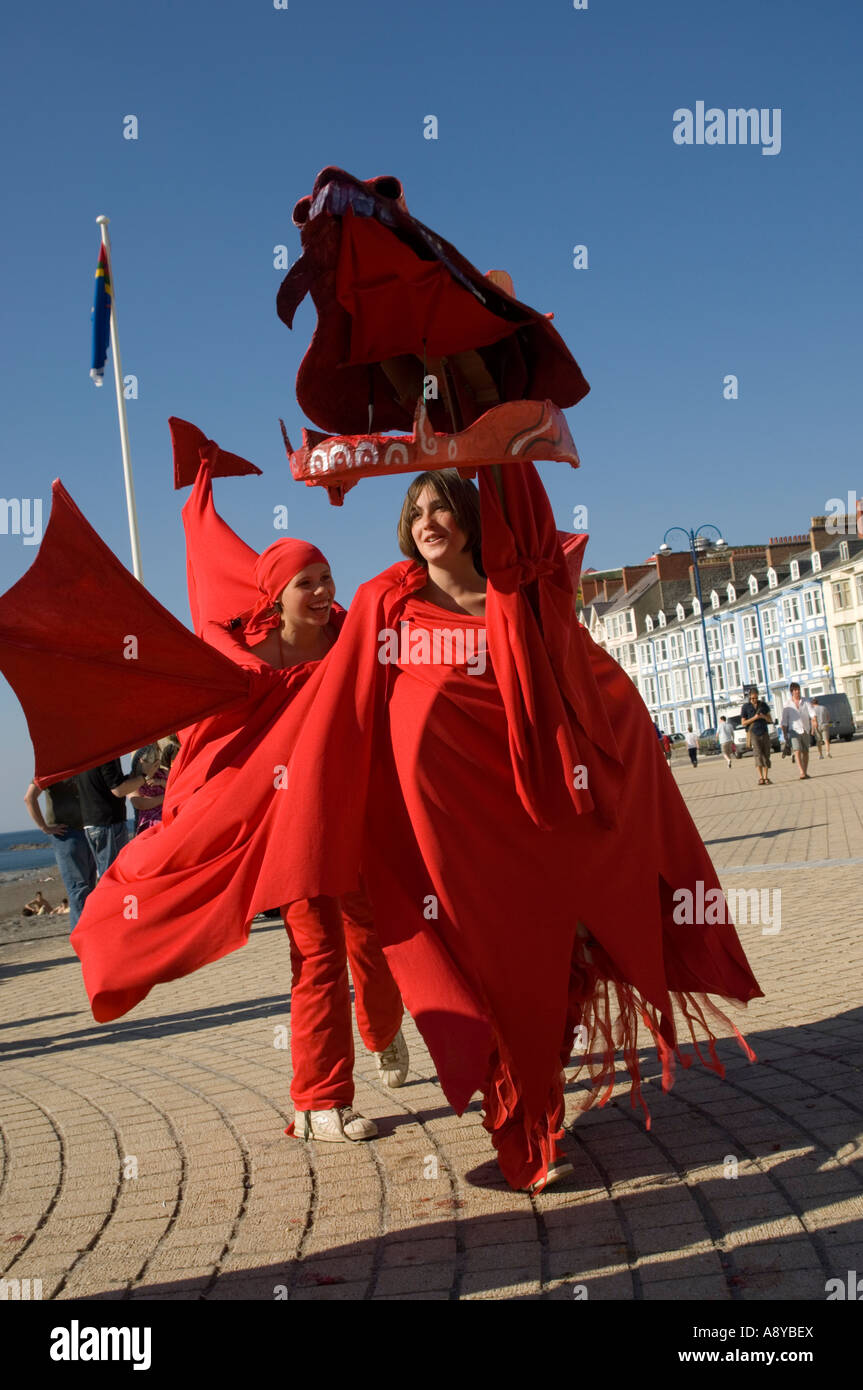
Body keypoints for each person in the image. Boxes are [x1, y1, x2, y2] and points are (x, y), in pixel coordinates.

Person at [23, 775, 96, 928]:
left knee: (89, 888)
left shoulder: (78, 762)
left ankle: (89, 934)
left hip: (87, 829)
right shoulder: (49, 765)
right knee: (79, 888)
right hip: (66, 834)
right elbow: (29, 798)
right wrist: (45, 827)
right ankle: (83, 937)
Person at [74, 760, 146, 877]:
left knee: (107, 874)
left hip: (93, 823)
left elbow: (110, 782)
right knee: (114, 875)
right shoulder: (105, 755)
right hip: (107, 823)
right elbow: (118, 789)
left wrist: (136, 776)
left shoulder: (84, 756)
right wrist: (144, 777)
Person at [780, 683, 818, 780]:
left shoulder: (806, 701)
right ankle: (801, 771)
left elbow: (812, 713)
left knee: (805, 752)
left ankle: (805, 771)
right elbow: (784, 720)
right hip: (794, 730)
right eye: (795, 690)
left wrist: (814, 720)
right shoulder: (787, 704)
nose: (797, 691)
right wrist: (784, 733)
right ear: (792, 692)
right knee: (797, 750)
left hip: (805, 729)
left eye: (798, 689)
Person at [740, 686, 773, 786]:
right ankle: (760, 777)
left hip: (764, 731)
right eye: (752, 698)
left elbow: (770, 719)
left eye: (756, 698)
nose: (754, 700)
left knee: (766, 754)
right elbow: (743, 723)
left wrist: (763, 716)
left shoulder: (763, 705)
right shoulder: (745, 707)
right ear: (749, 697)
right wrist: (754, 718)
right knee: (758, 754)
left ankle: (766, 776)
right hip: (754, 733)